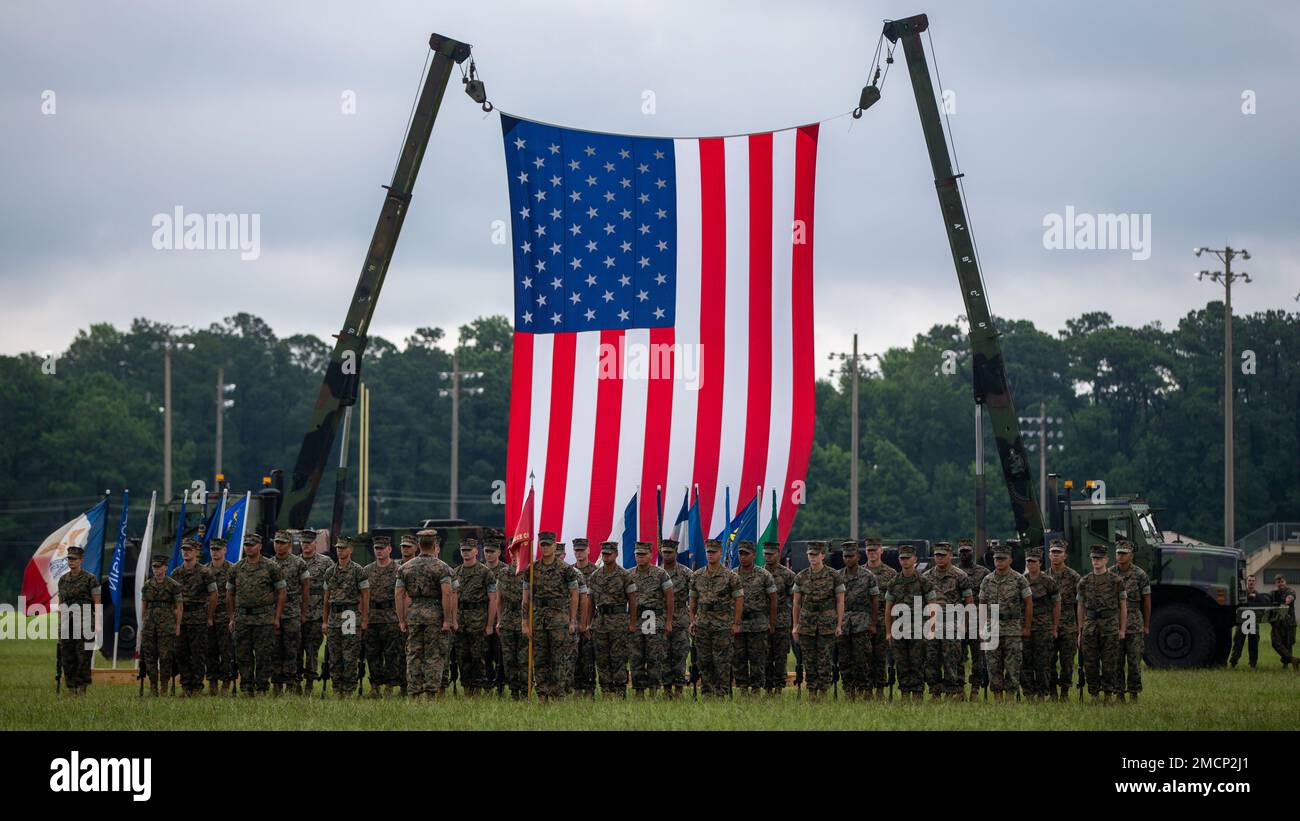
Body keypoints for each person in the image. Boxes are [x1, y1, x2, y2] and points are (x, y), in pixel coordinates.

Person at [396, 529, 456, 700]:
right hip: (435, 614)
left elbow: (399, 594)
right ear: (434, 544)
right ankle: (431, 693)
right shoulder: (442, 567)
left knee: (413, 654)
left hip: (413, 613)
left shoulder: (405, 567)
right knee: (434, 654)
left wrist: (401, 619)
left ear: (418, 544)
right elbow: (447, 594)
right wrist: (447, 619)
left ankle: (414, 693)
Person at [227, 533, 286, 697]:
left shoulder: (271, 567)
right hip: (242, 619)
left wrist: (276, 617)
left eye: (252, 545)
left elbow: (281, 592)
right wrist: (232, 618)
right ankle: (246, 688)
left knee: (263, 655)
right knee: (243, 655)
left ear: (260, 546)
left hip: (264, 619)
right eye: (246, 545)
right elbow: (230, 594)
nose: (248, 547)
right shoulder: (236, 568)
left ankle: (261, 688)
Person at [525, 531, 580, 700]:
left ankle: (558, 694)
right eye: (543, 544)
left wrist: (572, 620)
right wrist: (524, 622)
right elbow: (526, 597)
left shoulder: (566, 569)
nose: (546, 548)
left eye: (549, 544)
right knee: (540, 659)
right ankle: (542, 694)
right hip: (538, 619)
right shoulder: (532, 569)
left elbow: (575, 594)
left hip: (558, 619)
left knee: (559, 659)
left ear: (555, 546)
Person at [977, 541, 1031, 703]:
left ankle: (1010, 697)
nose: (999, 562)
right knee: (993, 665)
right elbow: (981, 604)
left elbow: (1028, 603)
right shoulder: (987, 580)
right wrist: (981, 628)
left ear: (1010, 560)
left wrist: (1027, 627)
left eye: (1002, 558)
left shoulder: (1019, 579)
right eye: (996, 559)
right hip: (991, 627)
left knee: (1013, 665)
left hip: (1013, 627)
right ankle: (997, 698)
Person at [688, 539, 742, 697]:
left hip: (722, 624)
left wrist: (736, 622)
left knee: (722, 661)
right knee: (704, 661)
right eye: (708, 552)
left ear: (720, 553)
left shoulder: (730, 576)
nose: (710, 555)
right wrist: (693, 620)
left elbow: (739, 599)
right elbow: (692, 600)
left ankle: (722, 692)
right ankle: (707, 693)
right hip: (703, 623)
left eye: (713, 552)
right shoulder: (697, 575)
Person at [793, 541, 845, 699]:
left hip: (827, 623)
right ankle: (811, 692)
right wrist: (795, 626)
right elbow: (796, 603)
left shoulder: (834, 575)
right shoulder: (801, 576)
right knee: (809, 659)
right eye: (810, 555)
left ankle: (823, 692)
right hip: (807, 624)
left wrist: (839, 624)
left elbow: (840, 601)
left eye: (815, 555)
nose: (812, 558)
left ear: (823, 556)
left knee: (824, 659)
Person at [1076, 544, 1127, 704]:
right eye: (1093, 558)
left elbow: (1123, 606)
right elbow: (1080, 607)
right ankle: (1094, 695)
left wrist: (1122, 629)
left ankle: (1108, 695)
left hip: (1110, 625)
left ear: (1106, 560)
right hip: (1090, 626)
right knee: (1090, 663)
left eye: (1099, 558)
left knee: (1109, 662)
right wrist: (1080, 631)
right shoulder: (1084, 582)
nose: (1096, 561)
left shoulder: (1116, 581)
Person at [922, 541, 972, 701]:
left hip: (953, 623)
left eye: (943, 555)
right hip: (932, 624)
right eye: (937, 555)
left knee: (952, 658)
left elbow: (968, 602)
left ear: (950, 556)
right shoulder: (926, 576)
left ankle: (954, 691)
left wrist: (966, 625)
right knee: (932, 658)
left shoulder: (960, 576)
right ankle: (935, 691)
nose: (940, 558)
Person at [321, 535, 370, 698]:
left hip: (350, 615)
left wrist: (364, 619)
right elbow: (326, 599)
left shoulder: (358, 570)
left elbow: (365, 596)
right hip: (334, 616)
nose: (339, 550)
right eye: (338, 548)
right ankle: (337, 688)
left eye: (343, 548)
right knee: (334, 655)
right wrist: (324, 621)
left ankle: (348, 689)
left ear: (350, 550)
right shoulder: (330, 572)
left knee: (349, 655)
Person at [883, 544, 932, 701]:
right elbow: (888, 609)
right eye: (902, 558)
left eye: (907, 558)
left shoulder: (923, 582)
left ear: (915, 559)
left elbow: (932, 606)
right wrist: (888, 631)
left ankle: (917, 694)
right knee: (902, 664)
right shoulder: (893, 582)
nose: (904, 561)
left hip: (919, 629)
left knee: (917, 663)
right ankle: (904, 694)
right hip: (899, 629)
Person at [587, 541, 634, 698]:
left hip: (619, 622)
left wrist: (632, 622)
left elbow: (632, 600)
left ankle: (620, 691)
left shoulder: (624, 575)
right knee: (602, 658)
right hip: (600, 622)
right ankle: (606, 690)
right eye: (604, 553)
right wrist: (588, 624)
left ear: (616, 554)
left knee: (618, 658)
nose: (606, 556)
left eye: (609, 553)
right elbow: (591, 602)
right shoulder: (595, 576)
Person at [171, 538, 217, 697]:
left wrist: (209, 616)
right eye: (184, 549)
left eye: (189, 549)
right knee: (181, 652)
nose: (186, 552)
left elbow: (214, 594)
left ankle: (197, 687)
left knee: (197, 653)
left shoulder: (205, 572)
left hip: (198, 616)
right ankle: (186, 686)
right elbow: (172, 597)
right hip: (182, 618)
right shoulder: (176, 572)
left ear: (196, 552)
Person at [453, 538, 498, 696]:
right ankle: (467, 688)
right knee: (462, 656)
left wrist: (490, 624)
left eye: (468, 550)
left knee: (478, 657)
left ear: (476, 551)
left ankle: (478, 689)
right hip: (460, 621)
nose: (465, 553)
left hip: (478, 620)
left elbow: (493, 599)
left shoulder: (485, 572)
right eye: (463, 550)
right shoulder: (456, 572)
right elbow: (452, 598)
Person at [629, 541, 673, 697]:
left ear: (650, 555)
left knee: (654, 656)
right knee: (636, 657)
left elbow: (669, 598)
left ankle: (654, 691)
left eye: (643, 554)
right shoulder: (629, 574)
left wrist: (668, 621)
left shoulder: (660, 574)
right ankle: (639, 691)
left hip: (654, 618)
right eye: (637, 554)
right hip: (636, 619)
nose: (640, 557)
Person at [56, 545, 101, 696]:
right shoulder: (63, 580)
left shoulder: (90, 579)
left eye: (74, 559)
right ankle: (71, 689)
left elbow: (97, 602)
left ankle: (82, 689)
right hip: (67, 622)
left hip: (85, 621)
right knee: (67, 657)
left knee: (83, 656)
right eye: (69, 559)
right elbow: (61, 603)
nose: (71, 561)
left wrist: (98, 624)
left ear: (81, 560)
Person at [733, 541, 776, 697]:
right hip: (738, 624)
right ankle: (743, 689)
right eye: (741, 554)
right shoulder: (732, 575)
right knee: (739, 658)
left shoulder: (764, 575)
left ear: (754, 555)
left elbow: (773, 599)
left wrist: (771, 623)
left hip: (758, 623)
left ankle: (757, 690)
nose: (743, 557)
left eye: (746, 554)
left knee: (758, 658)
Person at [837, 539, 879, 700]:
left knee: (862, 659)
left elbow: (875, 600)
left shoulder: (869, 576)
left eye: (851, 556)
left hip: (862, 622)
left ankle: (865, 690)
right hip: (843, 622)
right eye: (845, 556)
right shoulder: (838, 575)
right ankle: (849, 690)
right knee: (844, 660)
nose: (848, 559)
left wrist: (873, 623)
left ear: (858, 557)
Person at [269, 532, 308, 696]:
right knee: (275, 650)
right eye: (276, 542)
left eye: (282, 543)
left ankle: (292, 684)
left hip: (292, 613)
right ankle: (277, 684)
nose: (278, 545)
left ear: (290, 544)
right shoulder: (269, 563)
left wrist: (303, 612)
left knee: (292, 650)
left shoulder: (299, 563)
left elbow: (306, 590)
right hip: (272, 612)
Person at [363, 535, 403, 698]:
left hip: (391, 617)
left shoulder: (398, 569)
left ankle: (389, 686)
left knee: (392, 654)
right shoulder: (367, 570)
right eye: (376, 548)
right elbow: (363, 596)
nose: (378, 551)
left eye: (381, 548)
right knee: (372, 654)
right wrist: (364, 617)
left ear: (389, 549)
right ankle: (374, 686)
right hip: (372, 618)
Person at [1020, 547, 1060, 702]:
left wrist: (1055, 627)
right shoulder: (1021, 580)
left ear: (1040, 563)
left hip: (1043, 627)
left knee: (1043, 662)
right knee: (1025, 662)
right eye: (1028, 561)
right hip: (1026, 627)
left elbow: (1057, 604)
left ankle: (1043, 694)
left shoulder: (1048, 581)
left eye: (1033, 561)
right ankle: (1029, 694)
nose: (1031, 564)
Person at [1113, 539, 1150, 702]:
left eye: (1124, 553)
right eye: (1118, 553)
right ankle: (1119, 693)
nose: (1120, 556)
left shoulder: (1140, 575)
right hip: (1114, 622)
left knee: (1134, 661)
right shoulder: (1110, 574)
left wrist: (1146, 625)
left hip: (1134, 622)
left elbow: (1147, 601)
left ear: (1131, 555)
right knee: (1116, 661)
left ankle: (1134, 693)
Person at [141, 553, 182, 696]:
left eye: (159, 567)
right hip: (149, 625)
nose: (156, 570)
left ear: (165, 567)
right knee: (150, 657)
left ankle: (164, 686)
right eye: (154, 567)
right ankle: (153, 687)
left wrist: (177, 625)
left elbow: (179, 606)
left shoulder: (173, 585)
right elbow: (144, 605)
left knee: (165, 657)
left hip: (167, 625)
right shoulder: (147, 585)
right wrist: (142, 623)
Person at [299, 528, 333, 695]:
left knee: (312, 650)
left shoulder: (326, 563)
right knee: (295, 650)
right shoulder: (295, 562)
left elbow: (332, 586)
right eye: (303, 542)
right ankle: (295, 683)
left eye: (309, 543)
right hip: (296, 613)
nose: (306, 546)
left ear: (315, 544)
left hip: (317, 613)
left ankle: (310, 684)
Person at [1045, 538, 1081, 700]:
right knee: (1049, 660)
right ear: (1048, 555)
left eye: (1059, 552)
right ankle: (1052, 692)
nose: (1056, 555)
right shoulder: (1044, 577)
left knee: (1067, 662)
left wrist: (1080, 628)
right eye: (1053, 552)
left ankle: (1064, 693)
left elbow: (1081, 603)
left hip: (1068, 626)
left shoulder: (1074, 577)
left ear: (1065, 556)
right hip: (1047, 625)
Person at [660, 538, 693, 697]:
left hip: (680, 618)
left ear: (676, 553)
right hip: (660, 618)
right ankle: (666, 689)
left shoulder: (686, 573)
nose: (666, 555)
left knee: (680, 654)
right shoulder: (656, 573)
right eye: (664, 552)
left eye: (669, 552)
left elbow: (695, 596)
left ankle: (679, 689)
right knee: (663, 654)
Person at [864, 538, 897, 698]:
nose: (872, 553)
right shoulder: (861, 572)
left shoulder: (890, 574)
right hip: (864, 621)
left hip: (884, 621)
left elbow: (896, 599)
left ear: (881, 551)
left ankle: (880, 690)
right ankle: (867, 689)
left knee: (881, 657)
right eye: (869, 550)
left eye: (874, 550)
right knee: (865, 656)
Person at [763, 541, 796, 697]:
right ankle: (767, 687)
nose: (768, 557)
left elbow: (796, 598)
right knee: (765, 655)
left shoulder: (788, 575)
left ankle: (778, 688)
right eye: (766, 554)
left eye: (771, 554)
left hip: (782, 620)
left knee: (780, 655)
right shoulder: (759, 573)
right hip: (762, 620)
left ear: (778, 554)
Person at [204, 537, 236, 695]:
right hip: (208, 615)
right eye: (212, 550)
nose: (215, 553)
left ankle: (226, 682)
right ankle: (212, 683)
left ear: (225, 550)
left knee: (226, 650)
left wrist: (233, 617)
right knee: (210, 650)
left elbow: (236, 593)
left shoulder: (232, 569)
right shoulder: (204, 570)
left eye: (218, 549)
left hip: (226, 614)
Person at [571, 537, 598, 696]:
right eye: (577, 550)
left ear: (588, 550)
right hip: (574, 620)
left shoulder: (595, 572)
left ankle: (589, 689)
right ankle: (576, 688)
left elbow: (596, 599)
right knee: (574, 656)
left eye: (582, 550)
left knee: (588, 656)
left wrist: (589, 623)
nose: (579, 553)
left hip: (590, 621)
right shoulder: (570, 571)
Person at [1229, 574, 1263, 668]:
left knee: (1253, 643)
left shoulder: (1259, 595)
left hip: (1253, 622)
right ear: (1246, 582)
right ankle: (1233, 662)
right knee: (1238, 642)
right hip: (1242, 621)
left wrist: (1255, 597)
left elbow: (1261, 608)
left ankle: (1253, 664)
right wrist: (1248, 596)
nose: (1251, 582)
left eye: (1253, 581)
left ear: (1255, 582)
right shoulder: (1242, 594)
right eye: (1249, 580)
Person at [1269, 574, 1297, 669]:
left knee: (1287, 644)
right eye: (1278, 582)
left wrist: (1288, 600)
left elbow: (1291, 596)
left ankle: (1287, 664)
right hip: (1277, 623)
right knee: (1275, 642)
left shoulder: (1290, 591)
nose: (1280, 584)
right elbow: (1267, 600)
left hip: (1288, 623)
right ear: (1275, 583)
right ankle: (1293, 659)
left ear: (1285, 582)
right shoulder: (1273, 593)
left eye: (1282, 582)